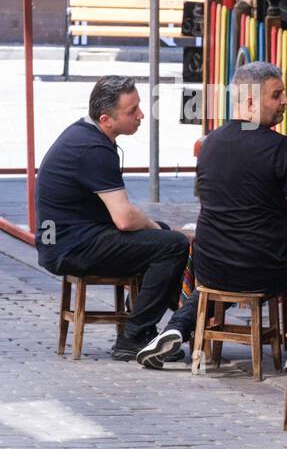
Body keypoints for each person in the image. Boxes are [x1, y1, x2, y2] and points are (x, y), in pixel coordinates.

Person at [136, 62, 287, 367]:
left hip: (209, 265)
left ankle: (176, 328)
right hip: (263, 269)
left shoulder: (209, 144)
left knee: (227, 273)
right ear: (249, 102)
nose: (285, 101)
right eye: (277, 95)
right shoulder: (279, 147)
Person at [35, 75, 191, 361]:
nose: (141, 115)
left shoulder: (85, 133)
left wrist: (159, 228)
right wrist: (157, 228)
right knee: (173, 245)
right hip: (69, 247)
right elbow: (125, 219)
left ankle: (159, 320)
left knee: (165, 237)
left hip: (63, 239)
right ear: (106, 119)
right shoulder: (94, 149)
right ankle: (135, 336)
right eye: (132, 111)